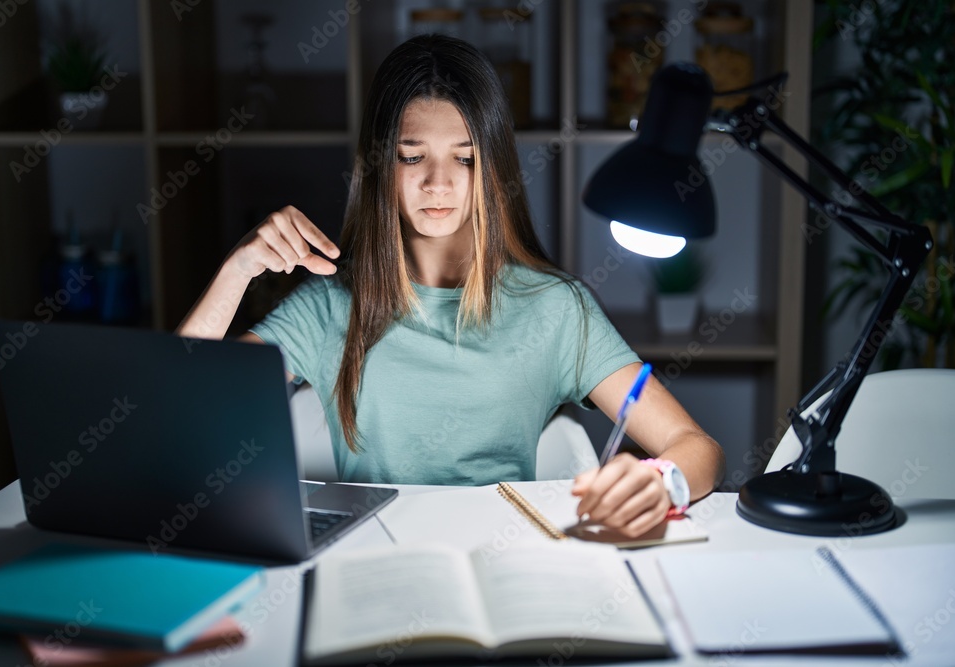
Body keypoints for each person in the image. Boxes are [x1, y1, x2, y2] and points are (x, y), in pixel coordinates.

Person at [176, 35, 724, 537]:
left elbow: (697, 448)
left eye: (464, 159)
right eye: (412, 157)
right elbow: (183, 411)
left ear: (492, 168)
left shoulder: (557, 310)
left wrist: (661, 483)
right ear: (378, 166)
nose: (438, 184)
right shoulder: (329, 307)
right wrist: (237, 271)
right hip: (371, 568)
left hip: (509, 566)